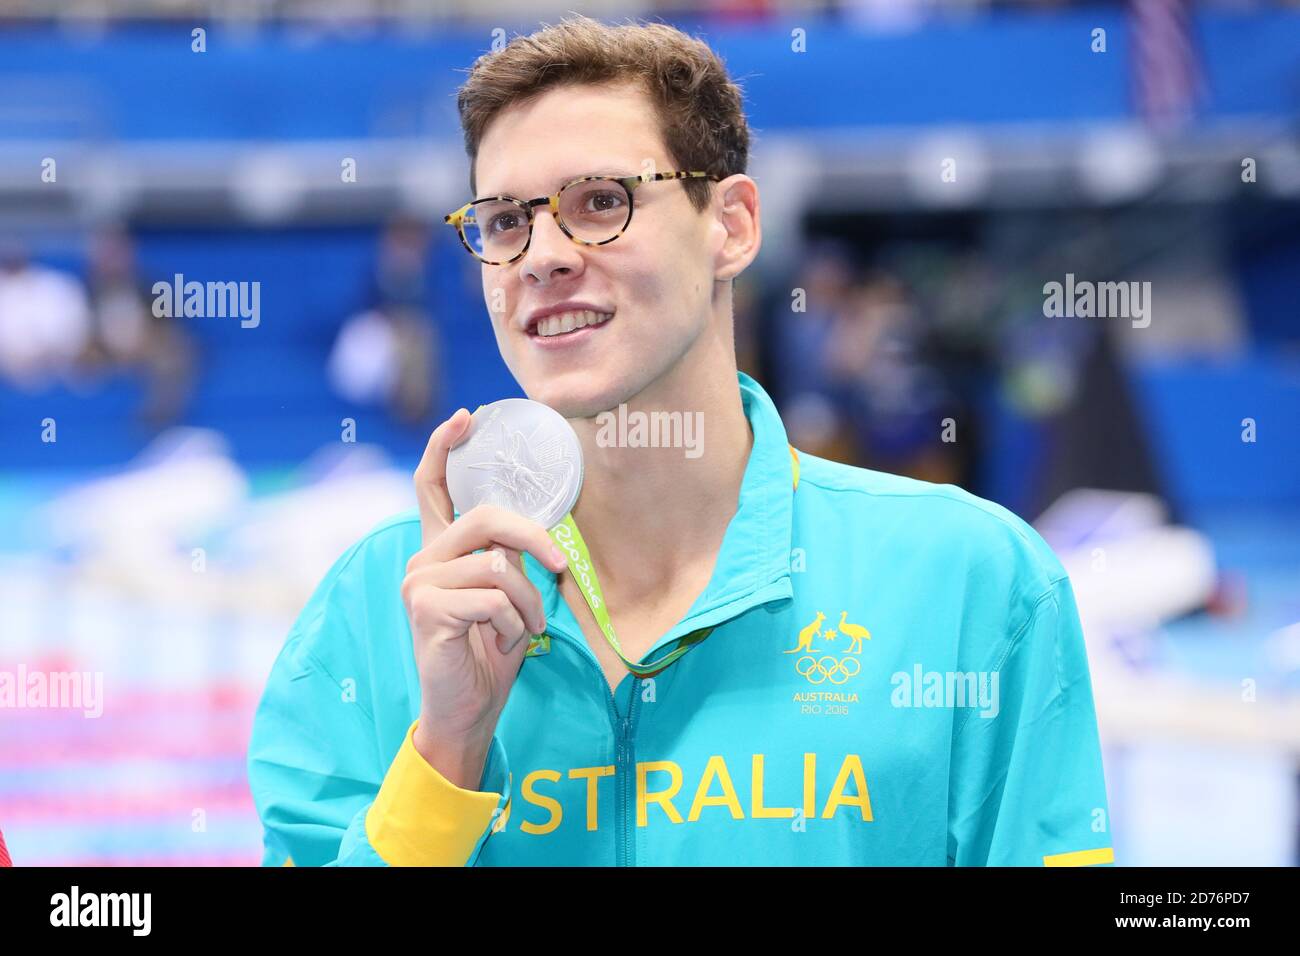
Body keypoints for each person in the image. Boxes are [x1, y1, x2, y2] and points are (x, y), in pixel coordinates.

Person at [247, 14, 1113, 867]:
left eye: (600, 202)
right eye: (506, 221)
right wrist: (447, 750)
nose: (542, 255)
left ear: (730, 226)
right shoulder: (377, 612)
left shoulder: (968, 582)